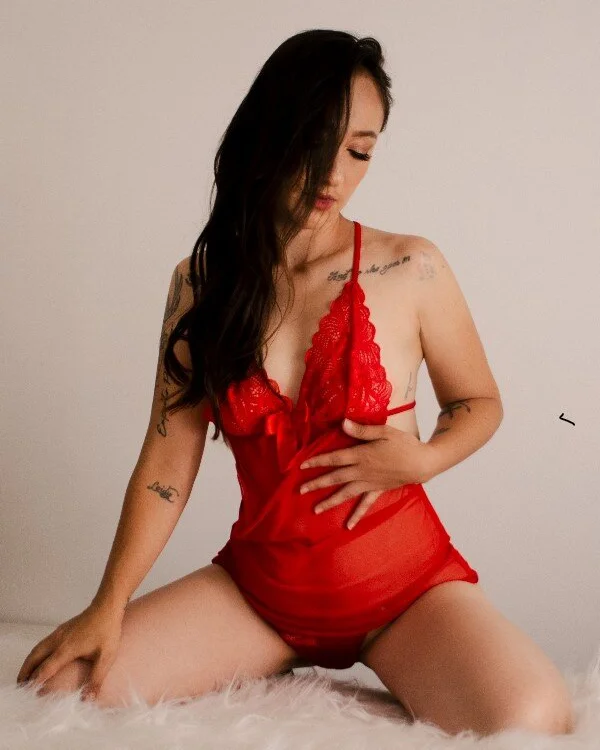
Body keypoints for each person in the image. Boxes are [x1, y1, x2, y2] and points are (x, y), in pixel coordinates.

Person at [16, 29, 574, 737]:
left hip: (404, 593)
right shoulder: (200, 285)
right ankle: (270, 655)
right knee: (63, 685)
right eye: (314, 142)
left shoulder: (412, 267)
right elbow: (165, 464)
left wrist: (424, 458)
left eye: (359, 151)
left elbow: (479, 402)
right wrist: (108, 604)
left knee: (532, 716)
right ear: (268, 132)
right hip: (260, 597)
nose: (333, 174)